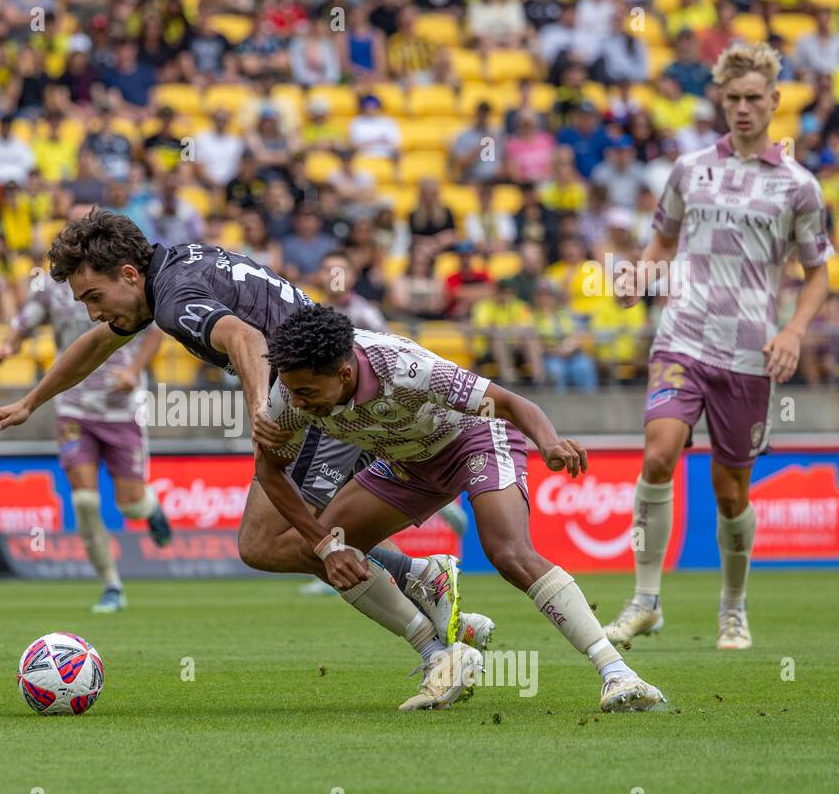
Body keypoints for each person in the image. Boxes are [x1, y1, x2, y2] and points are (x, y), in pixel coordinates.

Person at [0, 211, 494, 705]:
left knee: (269, 543)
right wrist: (28, 403)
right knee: (301, 541)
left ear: (129, 274)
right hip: (328, 385)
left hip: (312, 399)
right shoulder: (175, 267)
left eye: (94, 295)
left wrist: (258, 413)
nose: (93, 311)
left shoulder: (173, 297)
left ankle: (436, 645)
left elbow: (244, 338)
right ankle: (423, 581)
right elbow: (96, 344)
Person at [255, 304, 667, 712]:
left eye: (306, 392)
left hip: (473, 439)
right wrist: (327, 547)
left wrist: (550, 443)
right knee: (324, 552)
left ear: (345, 373)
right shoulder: (289, 396)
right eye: (290, 390)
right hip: (405, 465)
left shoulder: (403, 367)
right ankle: (440, 657)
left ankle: (618, 673)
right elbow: (270, 470)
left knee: (508, 553)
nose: (296, 403)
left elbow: (508, 402)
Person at [605, 43, 834, 651]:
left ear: (774, 101)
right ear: (720, 100)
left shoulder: (799, 188)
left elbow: (819, 274)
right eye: (731, 98)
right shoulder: (689, 169)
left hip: (748, 355)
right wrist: (637, 276)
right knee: (658, 455)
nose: (741, 108)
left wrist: (792, 332)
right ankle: (645, 601)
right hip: (681, 337)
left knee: (731, 492)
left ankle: (733, 607)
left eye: (753, 98)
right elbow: (661, 244)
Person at [0, 271, 173, 614]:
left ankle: (149, 508)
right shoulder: (48, 286)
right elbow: (24, 320)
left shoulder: (119, 278)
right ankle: (111, 585)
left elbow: (155, 330)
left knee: (130, 505)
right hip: (73, 407)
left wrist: (134, 370)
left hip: (122, 408)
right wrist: (8, 345)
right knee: (85, 501)